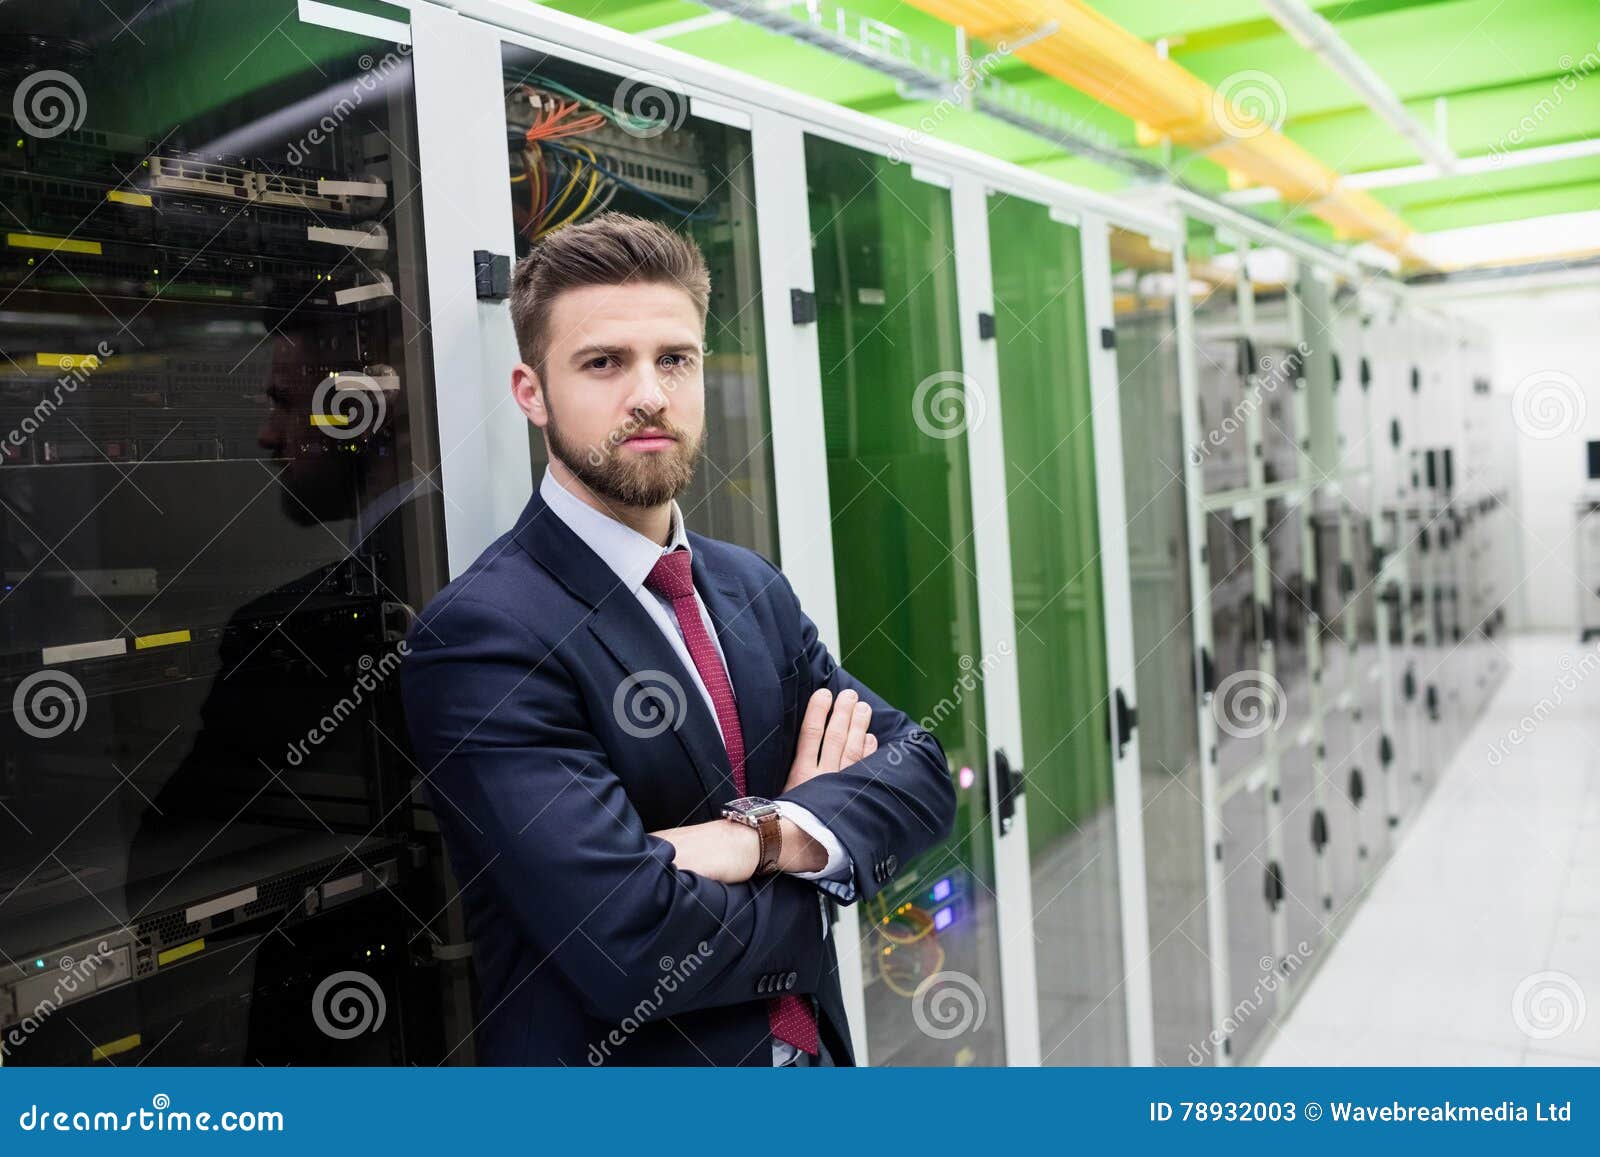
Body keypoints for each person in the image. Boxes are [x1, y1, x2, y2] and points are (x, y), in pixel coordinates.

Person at [399, 212, 956, 1066]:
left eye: (675, 359)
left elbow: (920, 771)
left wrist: (756, 839)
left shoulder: (746, 586)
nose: (649, 394)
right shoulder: (484, 636)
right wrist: (823, 862)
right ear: (532, 391)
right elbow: (630, 941)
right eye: (603, 363)